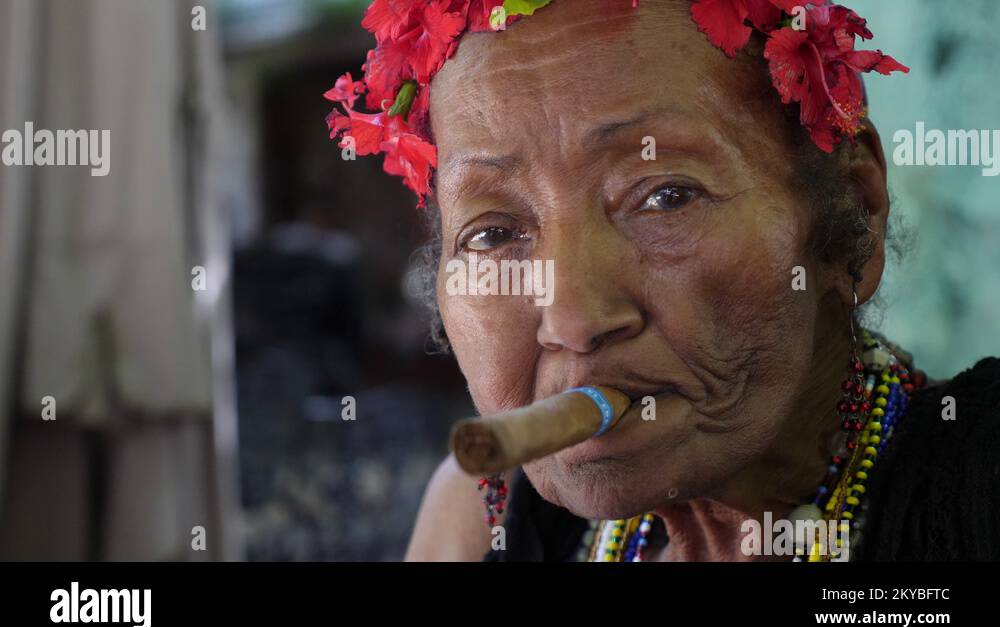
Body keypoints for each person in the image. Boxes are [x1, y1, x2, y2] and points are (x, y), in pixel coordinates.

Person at [324, 0, 1000, 562]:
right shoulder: (476, 518)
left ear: (855, 208)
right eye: (494, 234)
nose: (574, 318)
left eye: (667, 197)